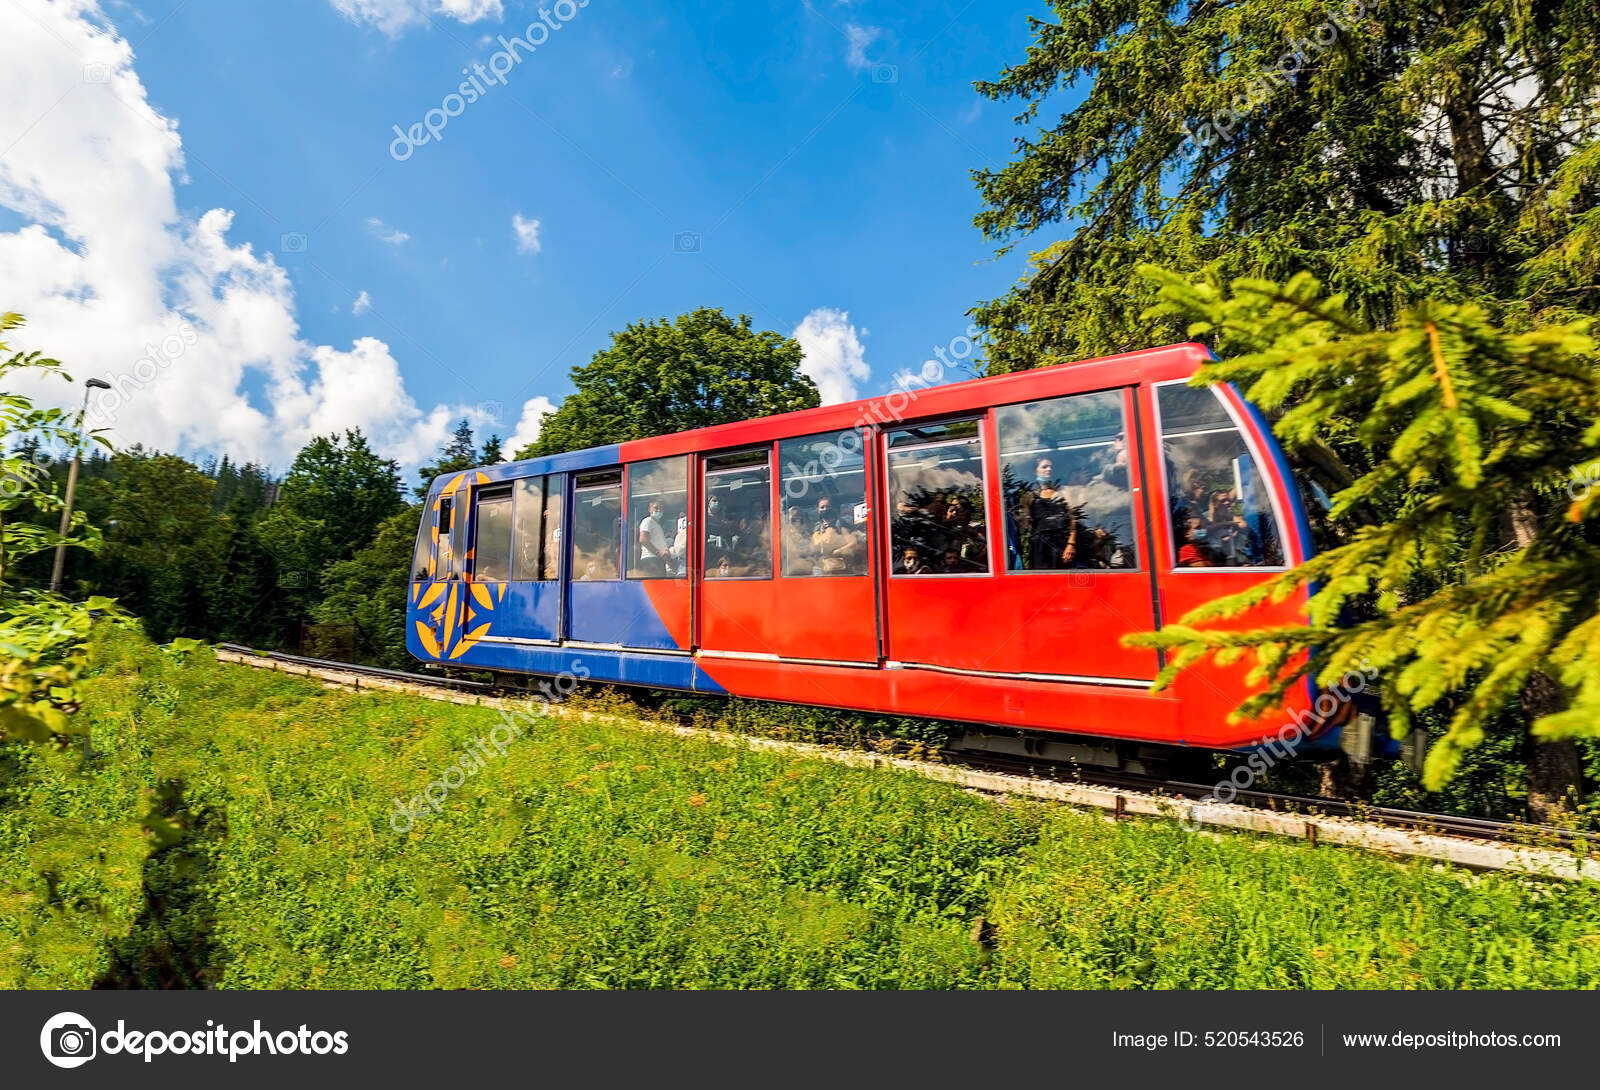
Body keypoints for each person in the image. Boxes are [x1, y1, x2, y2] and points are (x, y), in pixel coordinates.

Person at [637, 499, 669, 576]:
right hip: (651, 560)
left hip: (657, 560)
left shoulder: (657, 525)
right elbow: (643, 540)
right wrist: (658, 552)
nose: (659, 510)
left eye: (661, 508)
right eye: (656, 507)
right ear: (649, 509)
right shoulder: (647, 521)